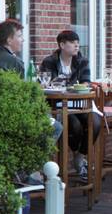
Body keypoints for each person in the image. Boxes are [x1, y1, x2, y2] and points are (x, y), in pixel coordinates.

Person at [0, 19, 64, 148]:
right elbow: (21, 93)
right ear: (9, 40)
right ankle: (36, 160)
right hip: (16, 113)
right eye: (19, 36)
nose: (22, 40)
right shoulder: (15, 62)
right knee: (56, 126)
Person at [39, 30, 98, 180]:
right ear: (62, 45)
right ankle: (76, 160)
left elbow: (86, 82)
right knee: (75, 126)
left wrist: (72, 86)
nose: (76, 45)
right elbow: (46, 84)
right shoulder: (49, 61)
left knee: (95, 123)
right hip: (58, 105)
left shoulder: (82, 61)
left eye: (77, 42)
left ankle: (80, 155)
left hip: (80, 103)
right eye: (72, 42)